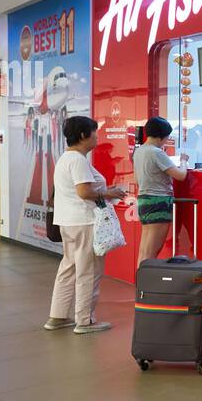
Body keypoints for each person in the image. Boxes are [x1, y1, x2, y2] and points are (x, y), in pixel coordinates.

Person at [45, 116, 127, 334]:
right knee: (88, 271)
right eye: (94, 132)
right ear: (83, 136)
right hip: (84, 222)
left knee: (69, 268)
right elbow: (84, 192)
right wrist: (111, 192)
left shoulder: (65, 158)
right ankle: (84, 320)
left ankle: (58, 316)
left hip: (68, 221)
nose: (97, 137)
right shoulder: (79, 160)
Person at [132, 116, 189, 267]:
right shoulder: (156, 152)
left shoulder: (139, 152)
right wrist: (183, 161)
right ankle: (145, 287)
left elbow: (137, 180)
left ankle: (141, 285)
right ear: (161, 136)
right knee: (152, 252)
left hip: (144, 201)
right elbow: (181, 175)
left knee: (144, 250)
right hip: (159, 201)